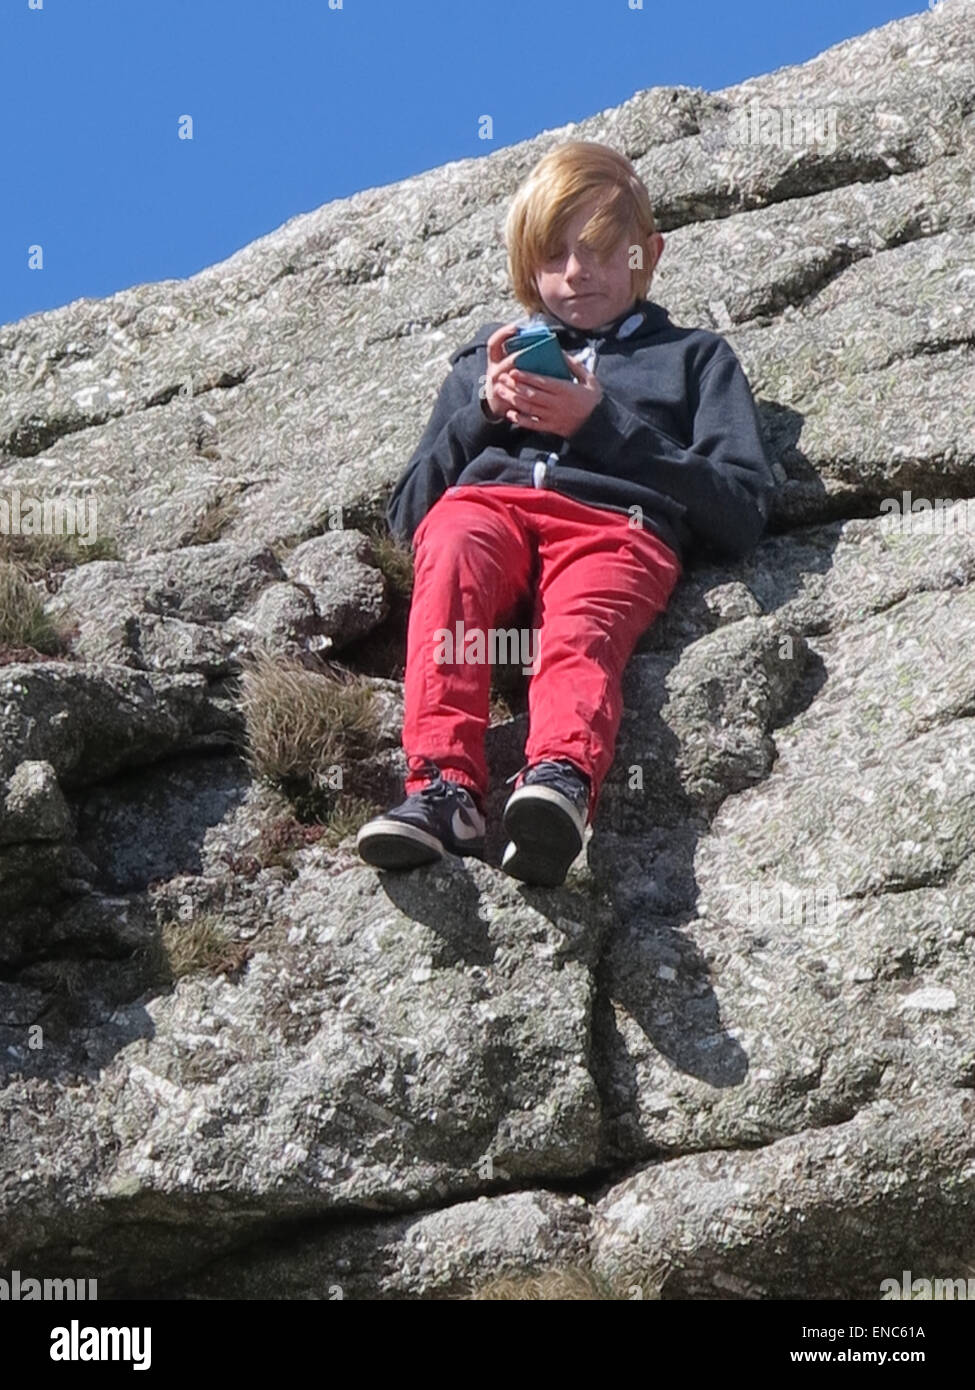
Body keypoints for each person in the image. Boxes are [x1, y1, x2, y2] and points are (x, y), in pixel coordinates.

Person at [356, 139, 776, 887]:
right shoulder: (481, 367)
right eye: (552, 256)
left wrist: (598, 421)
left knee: (580, 628)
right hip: (491, 509)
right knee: (452, 545)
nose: (576, 273)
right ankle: (442, 792)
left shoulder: (694, 358)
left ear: (647, 253)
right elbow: (407, 521)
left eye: (601, 251)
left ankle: (558, 785)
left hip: (618, 527)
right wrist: (482, 411)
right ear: (526, 265)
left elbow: (739, 510)